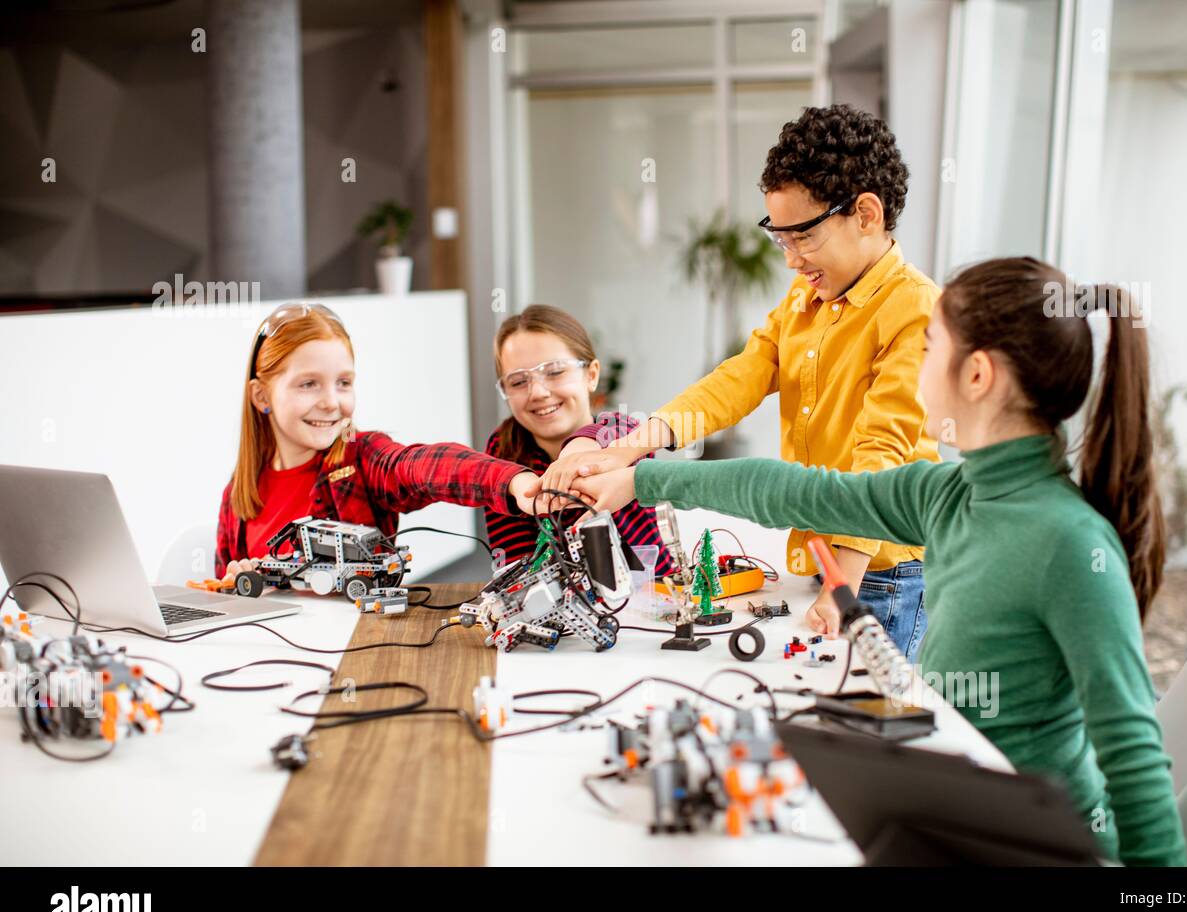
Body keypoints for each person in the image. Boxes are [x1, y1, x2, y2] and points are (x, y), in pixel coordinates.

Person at [564, 257, 1187, 866]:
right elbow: (799, 492)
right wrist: (641, 476)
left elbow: (1133, 760)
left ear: (976, 376)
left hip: (1028, 843)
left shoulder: (1071, 545)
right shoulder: (951, 494)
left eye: (928, 348)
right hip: (954, 809)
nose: (915, 371)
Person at [541, 104, 940, 660]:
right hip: (827, 559)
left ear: (866, 214)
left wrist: (841, 584)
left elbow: (883, 456)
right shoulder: (807, 300)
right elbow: (739, 379)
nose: (791, 260)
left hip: (882, 573)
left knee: (872, 716)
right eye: (781, 239)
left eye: (803, 236)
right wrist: (627, 450)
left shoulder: (916, 308)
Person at [215, 302, 539, 582]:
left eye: (343, 382)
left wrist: (512, 480)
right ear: (261, 396)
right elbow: (224, 594)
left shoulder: (359, 458)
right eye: (309, 384)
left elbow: (424, 467)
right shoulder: (237, 496)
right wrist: (237, 585)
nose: (331, 402)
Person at [483, 305, 672, 576]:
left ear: (591, 375)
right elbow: (515, 565)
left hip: (652, 596)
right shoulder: (503, 449)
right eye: (518, 381)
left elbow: (621, 431)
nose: (537, 392)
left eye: (555, 371)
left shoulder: (623, 432)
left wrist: (579, 449)